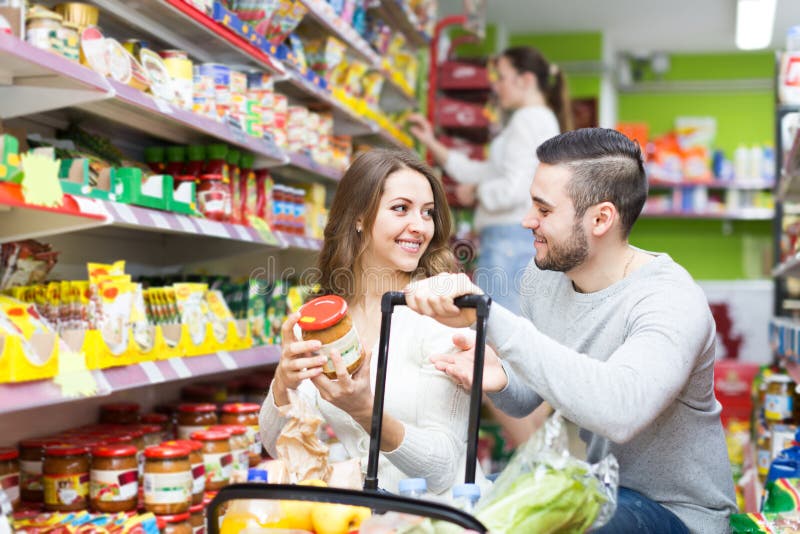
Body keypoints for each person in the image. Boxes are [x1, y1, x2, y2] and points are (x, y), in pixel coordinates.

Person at [403, 128, 737, 532]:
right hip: (592, 487)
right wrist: (503, 380)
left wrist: (491, 318)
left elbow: (620, 412)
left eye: (544, 211)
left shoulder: (669, 300)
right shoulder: (542, 280)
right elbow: (537, 395)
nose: (528, 221)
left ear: (601, 218)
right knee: (456, 509)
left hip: (676, 513)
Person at [259, 148, 490, 495]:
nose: (420, 226)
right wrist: (283, 384)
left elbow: (441, 472)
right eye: (401, 209)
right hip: (372, 520)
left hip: (441, 519)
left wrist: (366, 411)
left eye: (428, 213)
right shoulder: (327, 319)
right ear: (359, 217)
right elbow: (281, 448)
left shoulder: (441, 314)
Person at [408, 45, 570, 314]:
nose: (496, 85)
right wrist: (431, 143)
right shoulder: (537, 120)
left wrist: (478, 193)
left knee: (497, 326)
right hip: (513, 237)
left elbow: (514, 189)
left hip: (508, 238)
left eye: (502, 77)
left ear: (526, 80)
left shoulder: (528, 119)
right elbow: (488, 172)